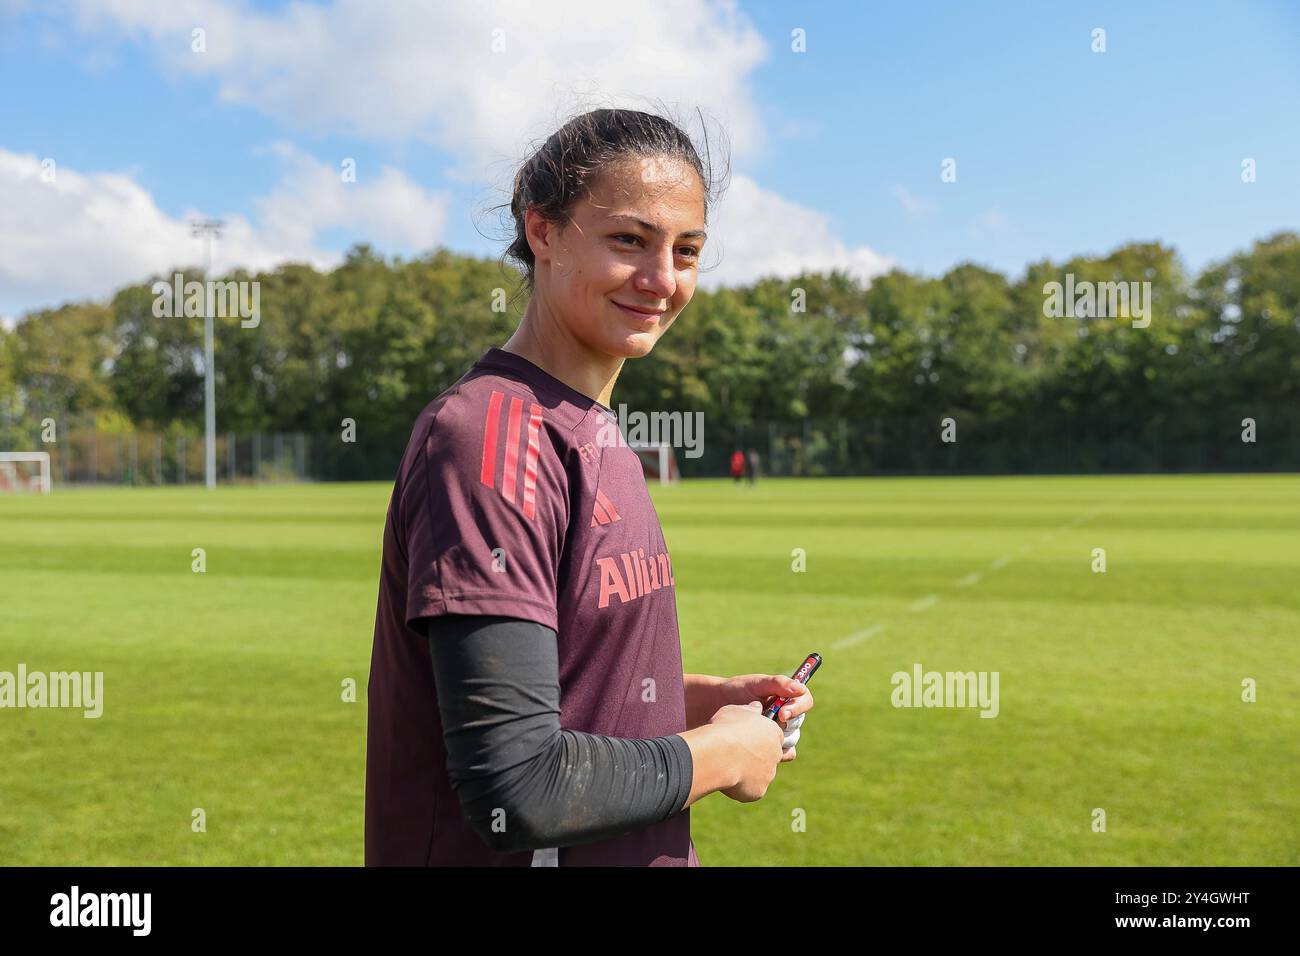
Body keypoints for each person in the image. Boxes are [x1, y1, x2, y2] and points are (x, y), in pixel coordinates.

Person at [365, 108, 814, 867]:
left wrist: (695, 700)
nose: (662, 279)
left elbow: (563, 684)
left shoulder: (591, 429)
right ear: (543, 232)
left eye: (687, 250)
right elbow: (520, 784)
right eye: (629, 241)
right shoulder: (491, 440)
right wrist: (722, 753)